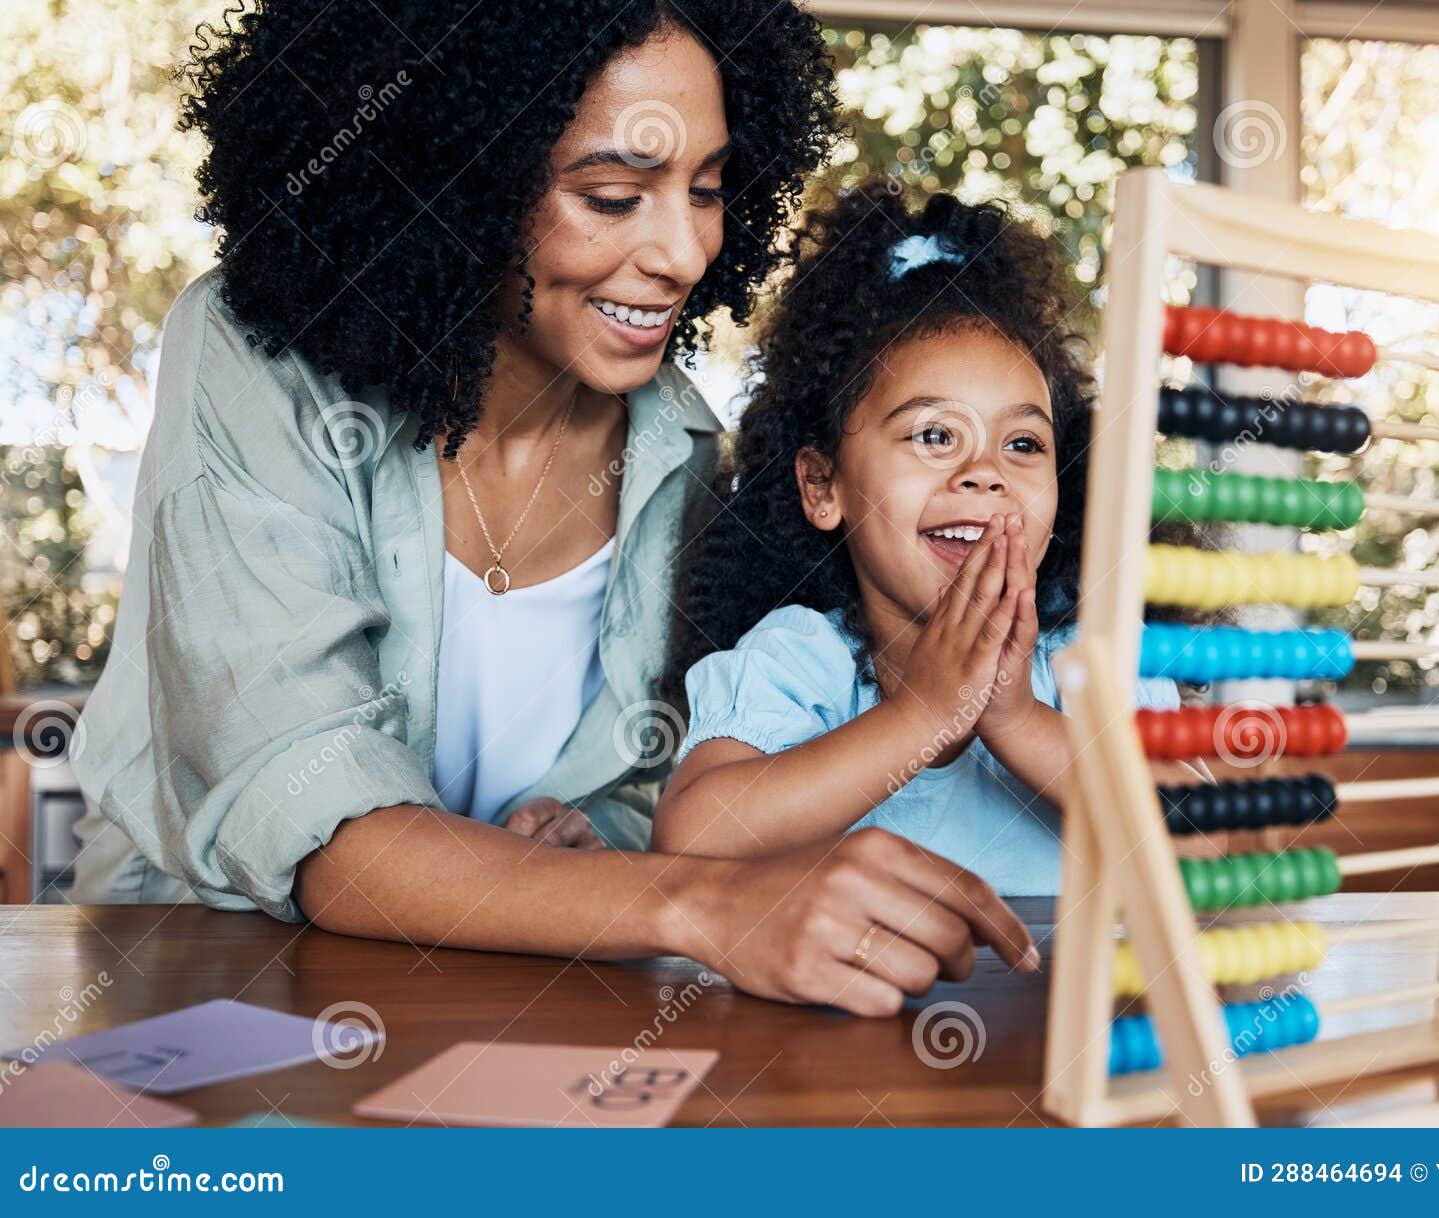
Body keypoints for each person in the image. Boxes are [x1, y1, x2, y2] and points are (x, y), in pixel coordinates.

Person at [68, 3, 1035, 1018]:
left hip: (511, 998)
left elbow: (646, 785)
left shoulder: (682, 450)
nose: (684, 253)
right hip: (203, 983)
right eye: (613, 196)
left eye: (707, 190)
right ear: (458, 185)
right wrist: (703, 904)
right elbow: (309, 809)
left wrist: (586, 848)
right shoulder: (257, 363)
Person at [654, 184, 1185, 894]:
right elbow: (691, 841)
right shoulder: (804, 661)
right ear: (822, 486)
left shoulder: (1096, 657)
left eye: (1023, 444)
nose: (985, 472)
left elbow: (1198, 835)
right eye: (934, 435)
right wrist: (924, 714)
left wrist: (1017, 719)